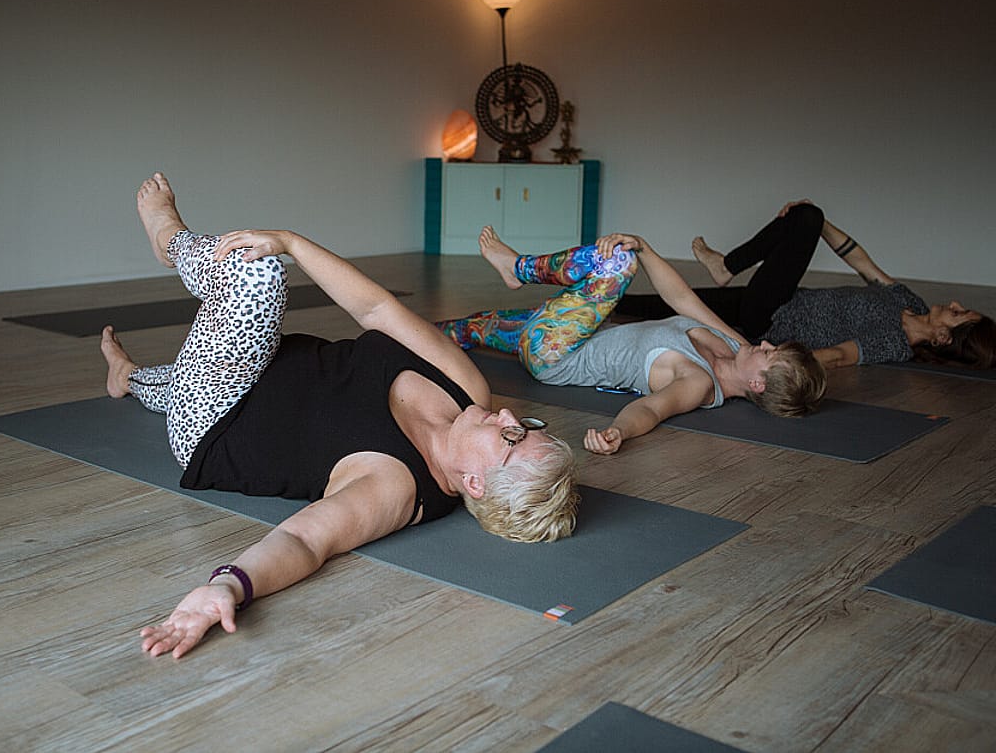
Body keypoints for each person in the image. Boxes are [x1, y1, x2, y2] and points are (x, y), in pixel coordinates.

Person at [106, 173, 579, 659]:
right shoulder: (467, 388)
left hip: (217, 420)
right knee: (216, 352)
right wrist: (291, 241)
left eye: (511, 438)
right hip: (265, 362)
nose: (505, 416)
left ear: (475, 484)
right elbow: (376, 309)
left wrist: (226, 588)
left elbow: (304, 539)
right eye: (522, 427)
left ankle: (169, 237)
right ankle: (128, 378)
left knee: (257, 276)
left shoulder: (396, 487)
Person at [435, 227, 825, 456]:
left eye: (770, 356)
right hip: (571, 332)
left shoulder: (698, 383)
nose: (767, 345)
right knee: (467, 329)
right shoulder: (734, 344)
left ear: (757, 385)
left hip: (554, 354)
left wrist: (618, 432)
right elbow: (683, 299)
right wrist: (645, 246)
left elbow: (652, 410)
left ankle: (516, 266)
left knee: (617, 261)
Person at [615, 200, 995, 370]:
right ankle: (604, 305)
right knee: (645, 307)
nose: (955, 304)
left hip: (771, 320)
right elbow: (860, 260)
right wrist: (821, 224)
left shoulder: (894, 343)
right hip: (775, 299)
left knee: (806, 216)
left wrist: (768, 365)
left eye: (960, 315)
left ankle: (726, 265)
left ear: (944, 338)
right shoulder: (909, 299)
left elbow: (836, 357)